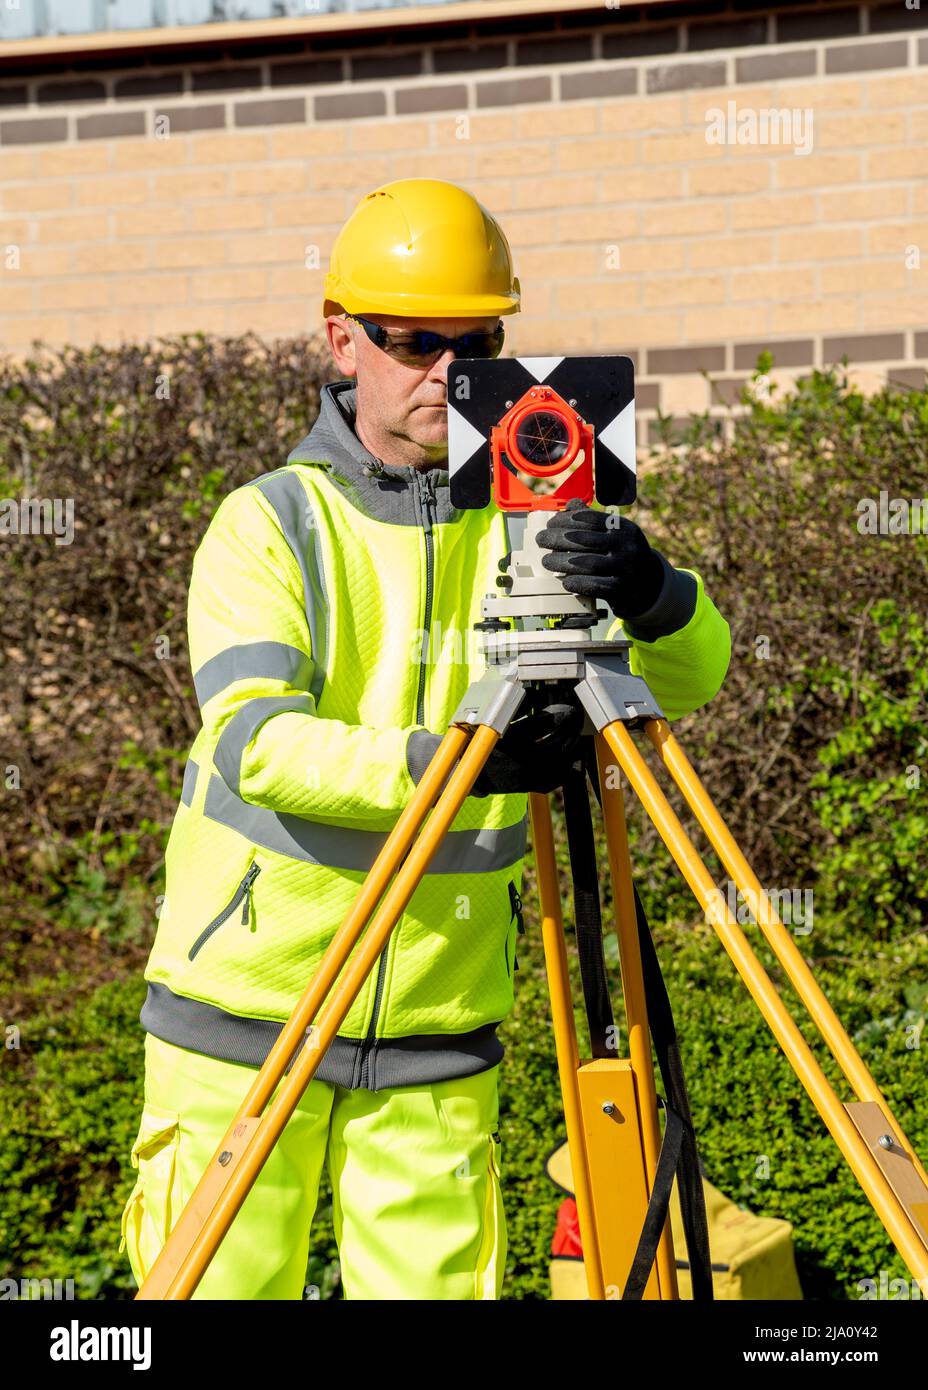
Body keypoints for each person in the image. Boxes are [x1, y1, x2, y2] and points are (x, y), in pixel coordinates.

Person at [119, 177, 731, 1301]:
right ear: (341, 340)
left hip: (439, 1030)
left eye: (478, 340)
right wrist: (451, 764)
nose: (449, 371)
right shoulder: (271, 522)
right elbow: (257, 744)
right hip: (246, 1018)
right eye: (412, 342)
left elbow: (689, 681)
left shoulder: (534, 517)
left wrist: (651, 590)